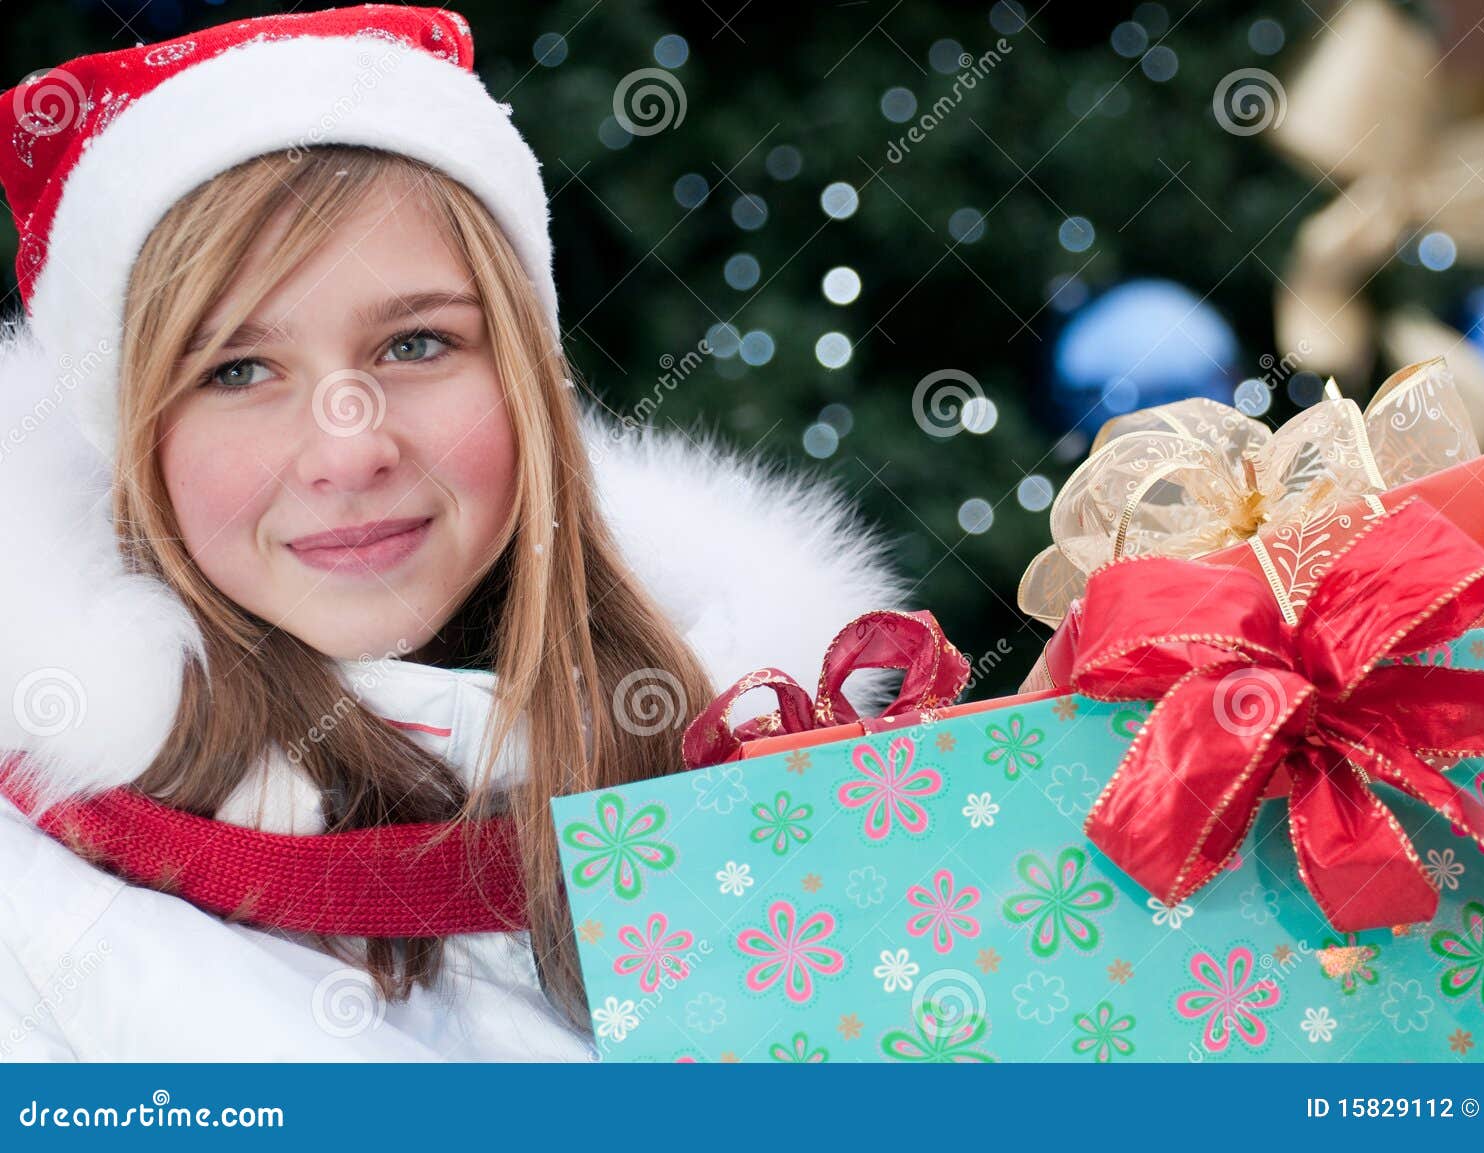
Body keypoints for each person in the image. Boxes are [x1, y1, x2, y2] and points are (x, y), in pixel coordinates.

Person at [0, 6, 908, 1060]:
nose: (350, 450)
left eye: (416, 344)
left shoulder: (783, 797)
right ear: (135, 445)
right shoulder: (40, 937)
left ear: (524, 377)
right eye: (238, 370)